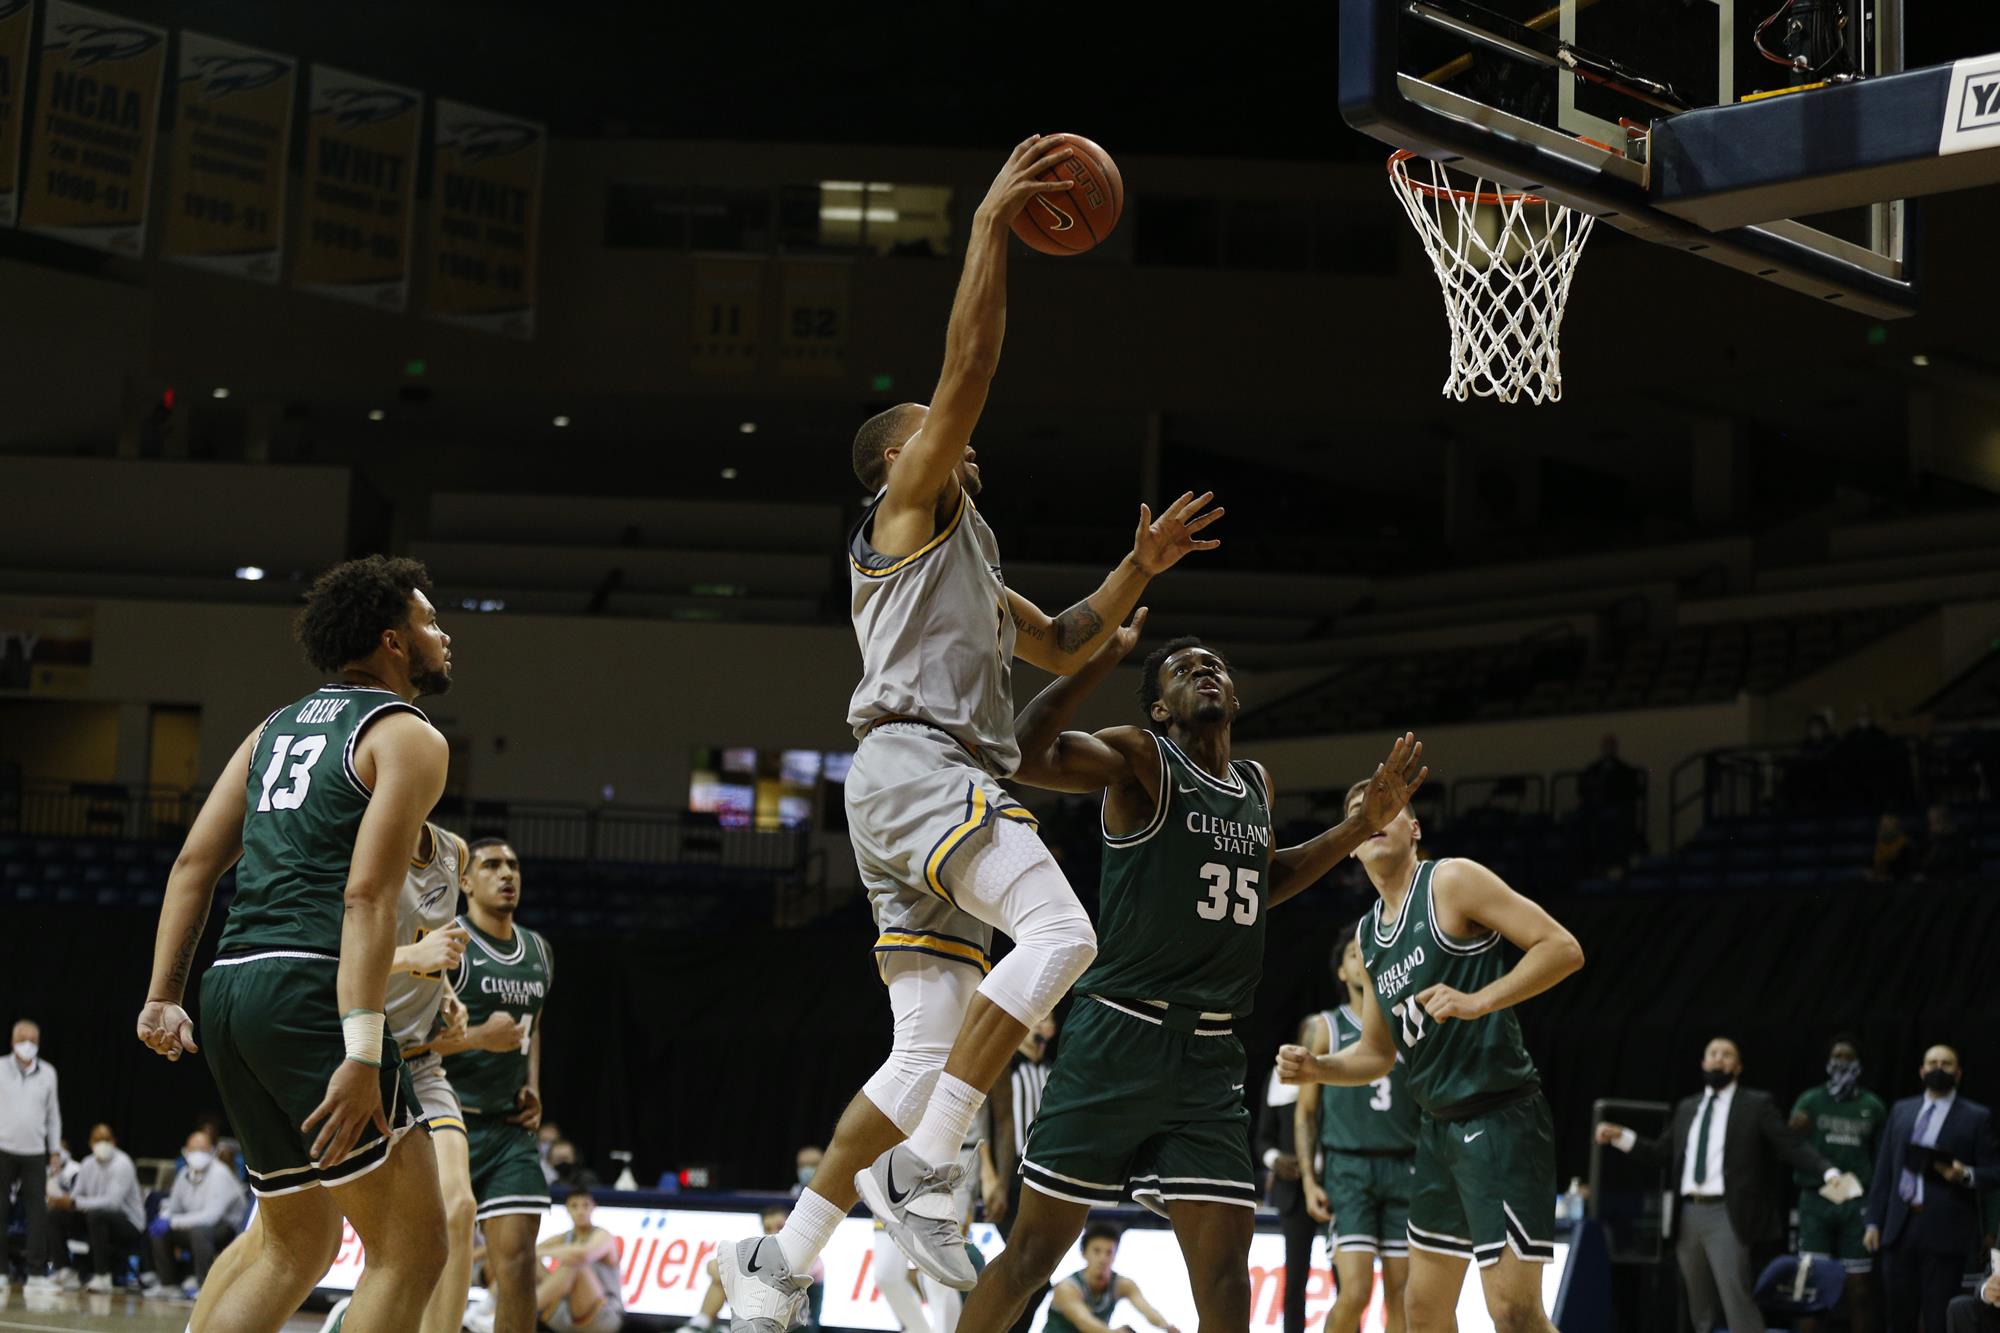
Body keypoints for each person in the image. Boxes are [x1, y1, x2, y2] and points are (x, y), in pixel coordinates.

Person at [720, 133, 1225, 1332]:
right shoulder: (905, 505)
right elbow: (969, 366)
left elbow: (1057, 639)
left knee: (917, 1051)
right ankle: (929, 1164)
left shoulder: (968, 552)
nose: (955, 434)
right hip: (917, 766)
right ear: (897, 458)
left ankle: (777, 1266)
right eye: (931, 428)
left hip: (910, 785)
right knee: (1059, 931)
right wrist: (990, 229)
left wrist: (1135, 566)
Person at [954, 623, 1425, 1333]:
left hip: (1208, 1056)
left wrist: (1358, 826)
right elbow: (1026, 753)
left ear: (1234, 694)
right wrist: (1097, 661)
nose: (1204, 672)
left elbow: (1266, 880)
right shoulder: (1144, 759)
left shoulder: (1255, 783)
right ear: (1160, 709)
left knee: (1228, 1278)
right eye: (1183, 669)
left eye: (1215, 665)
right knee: (1031, 1256)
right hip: (1118, 1033)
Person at [135, 554, 452, 1330]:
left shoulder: (272, 728)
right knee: (411, 1250)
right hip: (310, 991)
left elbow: (192, 865)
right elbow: (367, 895)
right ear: (393, 641)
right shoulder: (408, 735)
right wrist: (363, 1048)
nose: (445, 634)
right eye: (430, 621)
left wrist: (161, 995)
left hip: (230, 991)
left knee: (297, 1241)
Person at [1280, 773, 1585, 1333]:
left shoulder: (1450, 880)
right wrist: (1318, 1068)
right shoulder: (1370, 935)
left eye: (1387, 806)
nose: (1373, 816)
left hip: (1499, 1117)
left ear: (1414, 828)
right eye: (1360, 811)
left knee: (1514, 1312)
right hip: (1437, 1131)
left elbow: (1562, 949)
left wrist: (1477, 1001)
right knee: (1421, 1310)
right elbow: (1376, 1053)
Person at [190, 820, 483, 1333]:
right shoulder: (350, 842)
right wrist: (414, 957)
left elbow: (428, 948)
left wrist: (447, 998)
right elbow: (341, 951)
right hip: (352, 1045)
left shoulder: (453, 852)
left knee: (453, 1208)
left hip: (420, 1059)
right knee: (286, 1238)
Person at [1596, 1038, 1859, 1333]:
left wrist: (1827, 1171)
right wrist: (1621, 1137)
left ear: (1738, 1066)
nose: (1718, 1059)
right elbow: (1660, 1152)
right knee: (1699, 1305)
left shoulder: (1756, 1104)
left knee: (1736, 1297)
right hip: (1688, 1215)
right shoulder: (1688, 1107)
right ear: (1703, 1063)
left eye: (1726, 1055)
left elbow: (1790, 1145)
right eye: (1712, 1054)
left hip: (1727, 1213)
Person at [440, 836, 555, 1333]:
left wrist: (533, 1086)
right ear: (464, 882)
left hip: (509, 1129)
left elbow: (534, 1027)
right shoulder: (447, 945)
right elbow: (403, 1043)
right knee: (427, 1265)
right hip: (446, 1124)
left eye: (513, 865)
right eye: (490, 865)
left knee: (517, 1262)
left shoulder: (539, 950)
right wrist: (478, 1039)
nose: (506, 874)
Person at [1297, 933, 1419, 1333]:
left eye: (1368, 951)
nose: (1363, 957)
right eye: (1353, 952)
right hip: (1348, 1171)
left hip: (1404, 1167)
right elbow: (1306, 1113)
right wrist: (1310, 1179)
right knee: (1355, 1292)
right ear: (1342, 970)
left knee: (1403, 1294)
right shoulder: (1325, 1027)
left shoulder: (1407, 1023)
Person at [1865, 1045, 2000, 1333]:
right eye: (1933, 1062)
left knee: (1938, 1317)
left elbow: (1994, 1173)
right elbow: (1885, 1170)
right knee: (1898, 1316)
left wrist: (1964, 1174)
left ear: (1959, 1073)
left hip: (1945, 1230)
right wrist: (1874, 1221)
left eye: (1947, 1063)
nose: (1939, 1068)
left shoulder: (1977, 1116)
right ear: (1922, 1070)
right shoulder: (1902, 1109)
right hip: (1899, 1228)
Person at [1790, 1036, 1888, 1333]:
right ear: (1827, 1062)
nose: (1842, 1062)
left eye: (1848, 1057)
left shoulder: (1872, 1106)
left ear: (1858, 1064)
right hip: (1816, 1200)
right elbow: (1791, 1149)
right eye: (1837, 1056)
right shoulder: (1809, 1101)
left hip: (1856, 1202)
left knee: (1859, 1290)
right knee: (1810, 1287)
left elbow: (1883, 1160)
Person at [986, 1019, 1057, 1333]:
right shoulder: (1005, 1065)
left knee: (1036, 1276)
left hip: (1041, 1181)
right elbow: (986, 1126)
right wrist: (992, 1180)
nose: (1043, 1026)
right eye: (1039, 1018)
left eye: (1050, 1020)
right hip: (1010, 1180)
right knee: (1027, 1272)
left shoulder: (1052, 1070)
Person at [1254, 1032, 1315, 1333]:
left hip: (1337, 1185)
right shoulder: (1276, 1079)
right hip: (1293, 1191)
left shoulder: (1338, 1076)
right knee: (1295, 1281)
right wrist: (1275, 1159)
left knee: (1349, 1280)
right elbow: (1262, 1140)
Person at [146, 1129, 247, 1299]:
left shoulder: (220, 1174)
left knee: (200, 1231)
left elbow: (211, 1217)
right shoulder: (184, 1174)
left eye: (203, 1149)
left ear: (212, 1150)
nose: (197, 1154)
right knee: (159, 1231)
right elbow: (173, 1205)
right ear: (185, 1151)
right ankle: (168, 1284)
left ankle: (205, 1287)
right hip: (194, 1226)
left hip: (227, 1229)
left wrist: (172, 1221)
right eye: (193, 1149)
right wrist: (165, 1216)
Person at [690, 1207, 826, 1333]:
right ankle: (698, 1325)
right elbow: (712, 1266)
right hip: (765, 1321)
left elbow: (780, 1284)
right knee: (721, 1279)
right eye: (768, 1229)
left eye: (780, 1227)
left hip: (800, 1326)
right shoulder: (763, 1250)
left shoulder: (805, 1253)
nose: (774, 1233)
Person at [1, 1017, 61, 1290]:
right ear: (13, 1043)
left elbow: (53, 1116)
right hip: (4, 1149)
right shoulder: (0, 1068)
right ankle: (1, 1272)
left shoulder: (48, 1073)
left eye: (33, 1041)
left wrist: (55, 1150)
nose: (28, 1045)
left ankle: (36, 1274)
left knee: (37, 1213)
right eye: (22, 1040)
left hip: (35, 1152)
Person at [1041, 1225, 1179, 1333]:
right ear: (1084, 1253)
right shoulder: (1067, 1288)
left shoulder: (1123, 1284)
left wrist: (1167, 1326)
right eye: (1097, 1251)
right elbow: (1084, 1322)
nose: (1103, 1259)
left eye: (1109, 1252)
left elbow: (1147, 1310)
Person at [65, 1123, 145, 1292]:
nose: (102, 1143)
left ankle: (103, 1276)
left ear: (114, 1142)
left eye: (106, 1139)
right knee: (58, 1215)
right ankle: (64, 1270)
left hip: (129, 1222)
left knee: (96, 1215)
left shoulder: (123, 1163)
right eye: (97, 1139)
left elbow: (113, 1203)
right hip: (98, 1217)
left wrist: (76, 1203)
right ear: (90, 1143)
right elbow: (75, 1196)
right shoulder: (87, 1164)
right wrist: (67, 1202)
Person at [536, 1190, 624, 1333]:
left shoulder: (603, 1236)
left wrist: (545, 1252)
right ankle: (492, 1303)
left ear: (594, 1207)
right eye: (574, 1206)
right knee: (527, 1261)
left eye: (585, 1205)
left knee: (576, 1263)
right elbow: (530, 1252)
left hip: (606, 1316)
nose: (580, 1211)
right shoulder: (564, 1237)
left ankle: (520, 1310)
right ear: (567, 1209)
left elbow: (584, 1254)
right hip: (567, 1312)